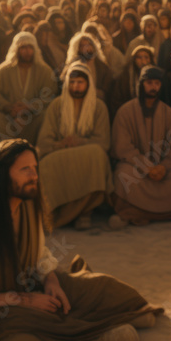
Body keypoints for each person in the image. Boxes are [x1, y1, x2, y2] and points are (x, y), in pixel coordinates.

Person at [0, 138, 162, 341]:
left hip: (27, 284)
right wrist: (25, 301)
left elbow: (38, 254)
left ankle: (128, 311)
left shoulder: (25, 202)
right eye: (24, 169)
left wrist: (51, 280)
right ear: (1, 176)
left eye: (35, 168)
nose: (34, 176)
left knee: (97, 286)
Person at [110, 65, 171, 228]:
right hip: (134, 167)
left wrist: (164, 167)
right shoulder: (125, 111)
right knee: (123, 176)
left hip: (162, 169)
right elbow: (122, 147)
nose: (153, 87)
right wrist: (146, 166)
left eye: (157, 83)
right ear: (141, 84)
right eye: (149, 83)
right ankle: (126, 213)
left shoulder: (168, 113)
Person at [35, 63, 111, 230]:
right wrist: (61, 144)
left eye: (80, 82)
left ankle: (85, 213)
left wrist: (80, 141)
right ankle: (55, 214)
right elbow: (43, 142)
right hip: (60, 151)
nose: (76, 86)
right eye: (73, 82)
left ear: (88, 84)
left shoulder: (99, 107)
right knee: (45, 165)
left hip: (87, 153)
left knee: (97, 154)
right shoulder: (57, 105)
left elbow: (103, 142)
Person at [0, 32, 59, 144]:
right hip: (8, 114)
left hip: (33, 115)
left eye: (30, 47)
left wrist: (29, 107)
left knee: (45, 116)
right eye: (23, 48)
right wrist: (10, 107)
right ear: (16, 49)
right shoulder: (2, 71)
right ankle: (2, 155)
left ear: (35, 49)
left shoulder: (45, 71)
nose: (27, 51)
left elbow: (49, 96)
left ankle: (38, 154)